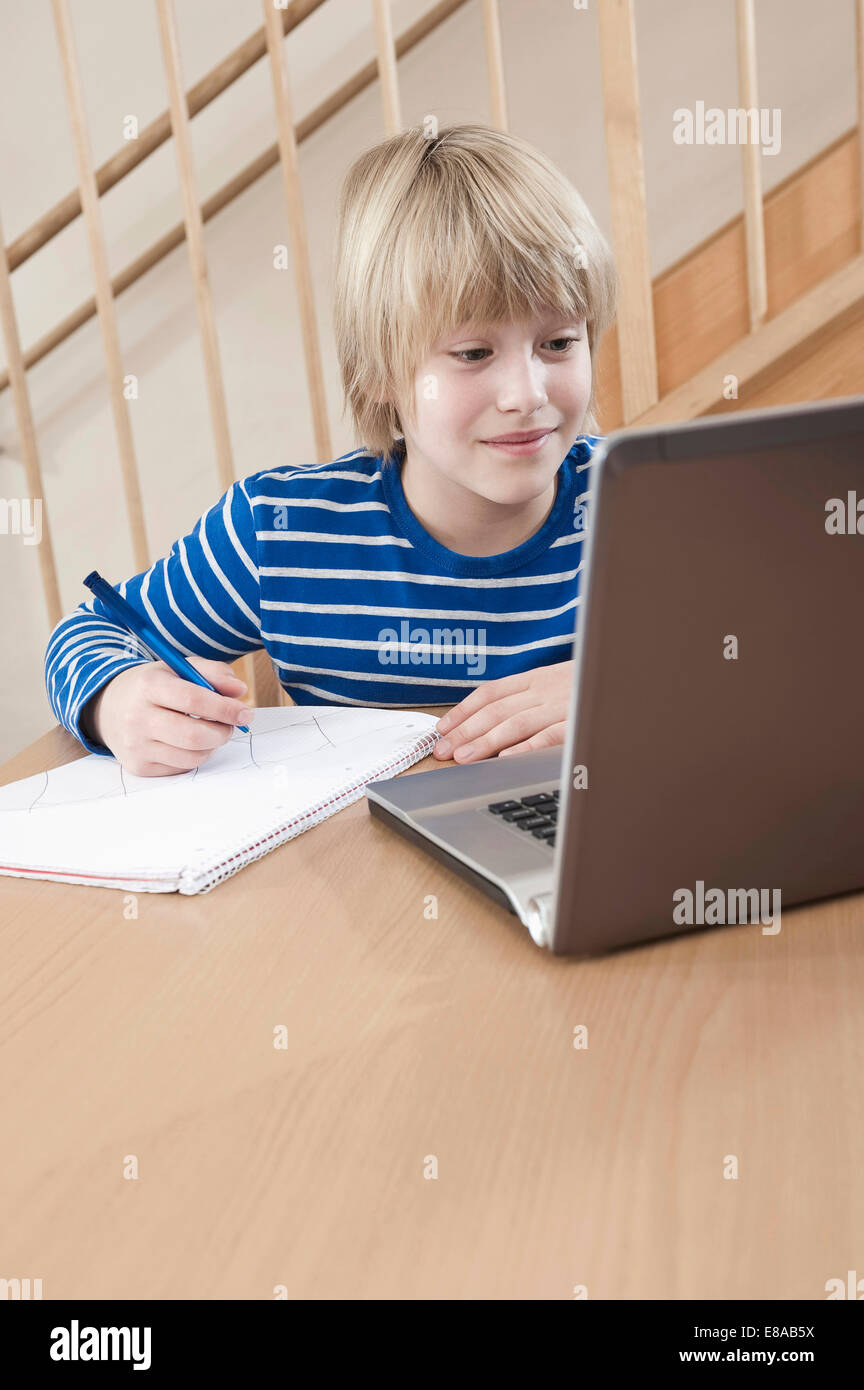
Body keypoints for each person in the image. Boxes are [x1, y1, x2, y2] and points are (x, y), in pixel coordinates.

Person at [44, 122, 618, 777]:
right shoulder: (281, 530)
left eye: (560, 343)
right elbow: (88, 634)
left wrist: (623, 687)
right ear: (378, 373)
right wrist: (116, 703)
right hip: (359, 869)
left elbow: (756, 647)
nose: (526, 393)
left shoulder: (654, 504)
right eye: (473, 353)